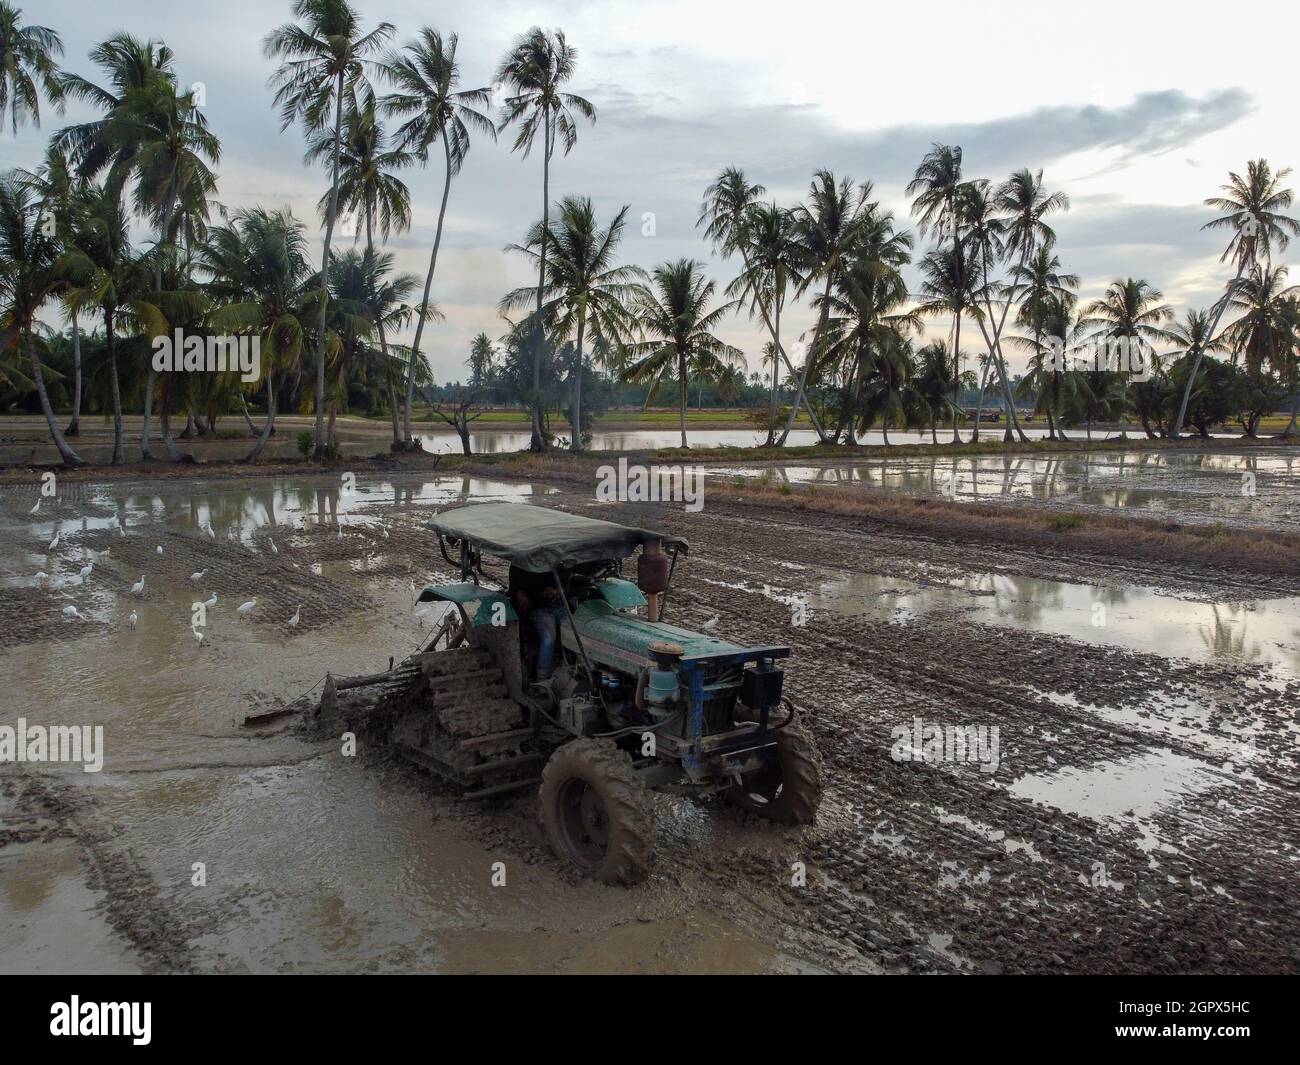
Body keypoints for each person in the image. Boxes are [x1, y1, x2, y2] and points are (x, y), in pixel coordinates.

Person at [510, 565, 569, 681]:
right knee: (548, 636)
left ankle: (581, 665)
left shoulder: (559, 561)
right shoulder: (519, 565)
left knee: (577, 631)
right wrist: (521, 594)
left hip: (560, 606)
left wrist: (556, 591)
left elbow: (566, 584)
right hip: (538, 608)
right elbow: (516, 589)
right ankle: (542, 677)